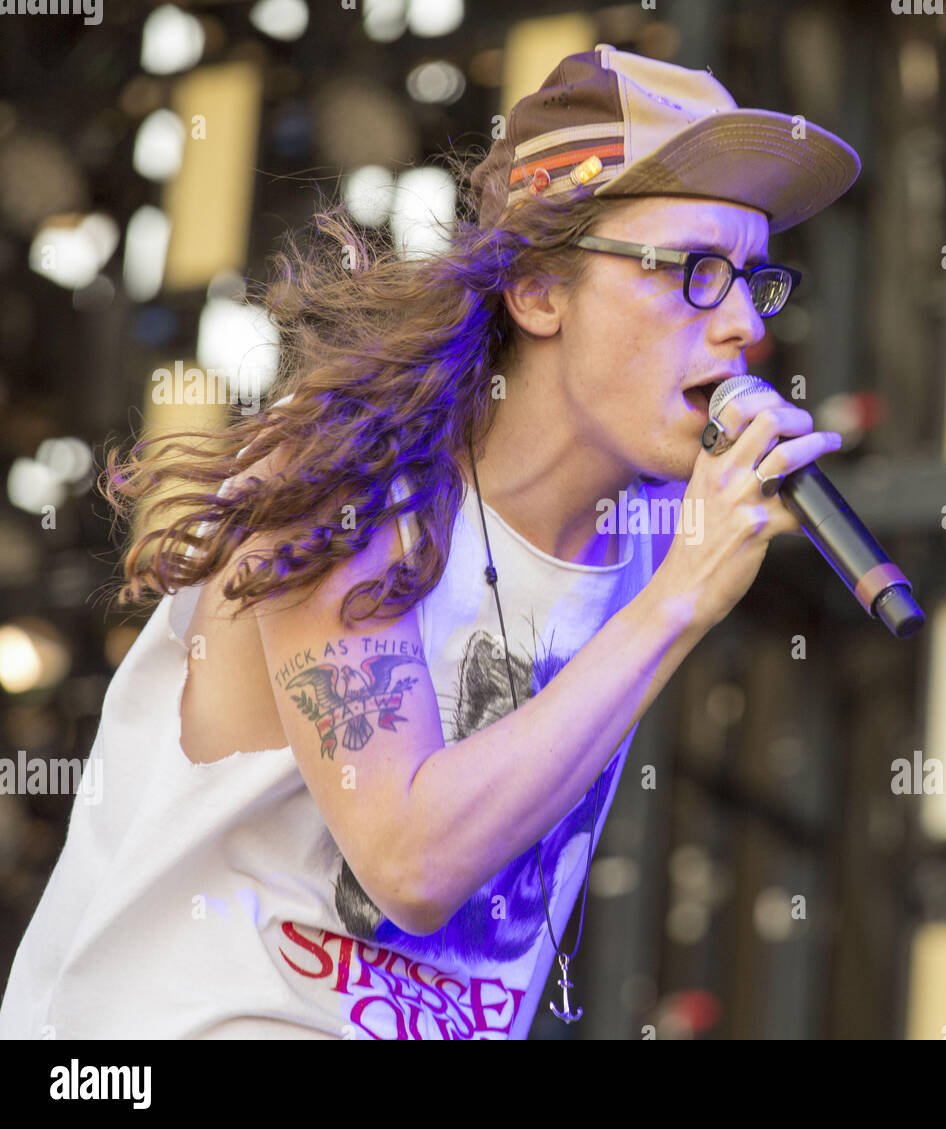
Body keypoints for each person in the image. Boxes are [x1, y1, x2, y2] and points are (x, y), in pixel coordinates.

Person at [0, 42, 858, 1039]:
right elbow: (411, 863)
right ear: (537, 290)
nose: (744, 326)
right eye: (696, 271)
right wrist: (681, 599)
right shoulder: (339, 481)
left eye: (757, 278)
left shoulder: (651, 529)